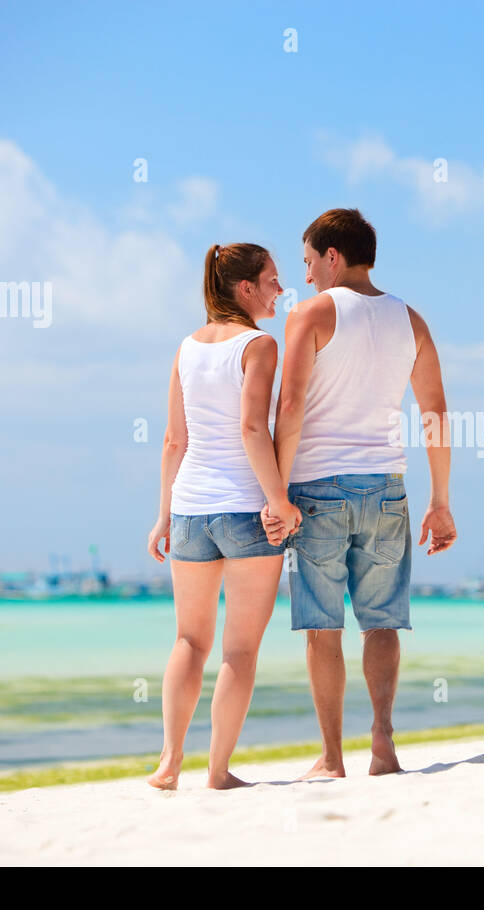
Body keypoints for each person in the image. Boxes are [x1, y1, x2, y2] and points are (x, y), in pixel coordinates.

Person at [261, 208, 457, 777]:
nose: (305, 277)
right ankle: (384, 744)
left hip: (318, 487)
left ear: (332, 256)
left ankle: (330, 758)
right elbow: (436, 413)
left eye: (307, 263)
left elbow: (290, 407)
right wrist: (439, 501)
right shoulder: (411, 319)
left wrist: (276, 493)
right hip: (388, 487)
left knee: (323, 626)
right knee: (383, 622)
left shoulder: (310, 314)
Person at [145, 243, 303, 791]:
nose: (281, 291)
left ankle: (168, 762)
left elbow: (173, 440)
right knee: (239, 649)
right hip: (245, 512)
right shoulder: (259, 344)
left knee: (189, 641)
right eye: (273, 281)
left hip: (189, 509)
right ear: (246, 289)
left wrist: (163, 517)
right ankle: (216, 771)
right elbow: (253, 429)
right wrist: (279, 500)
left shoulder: (186, 348)